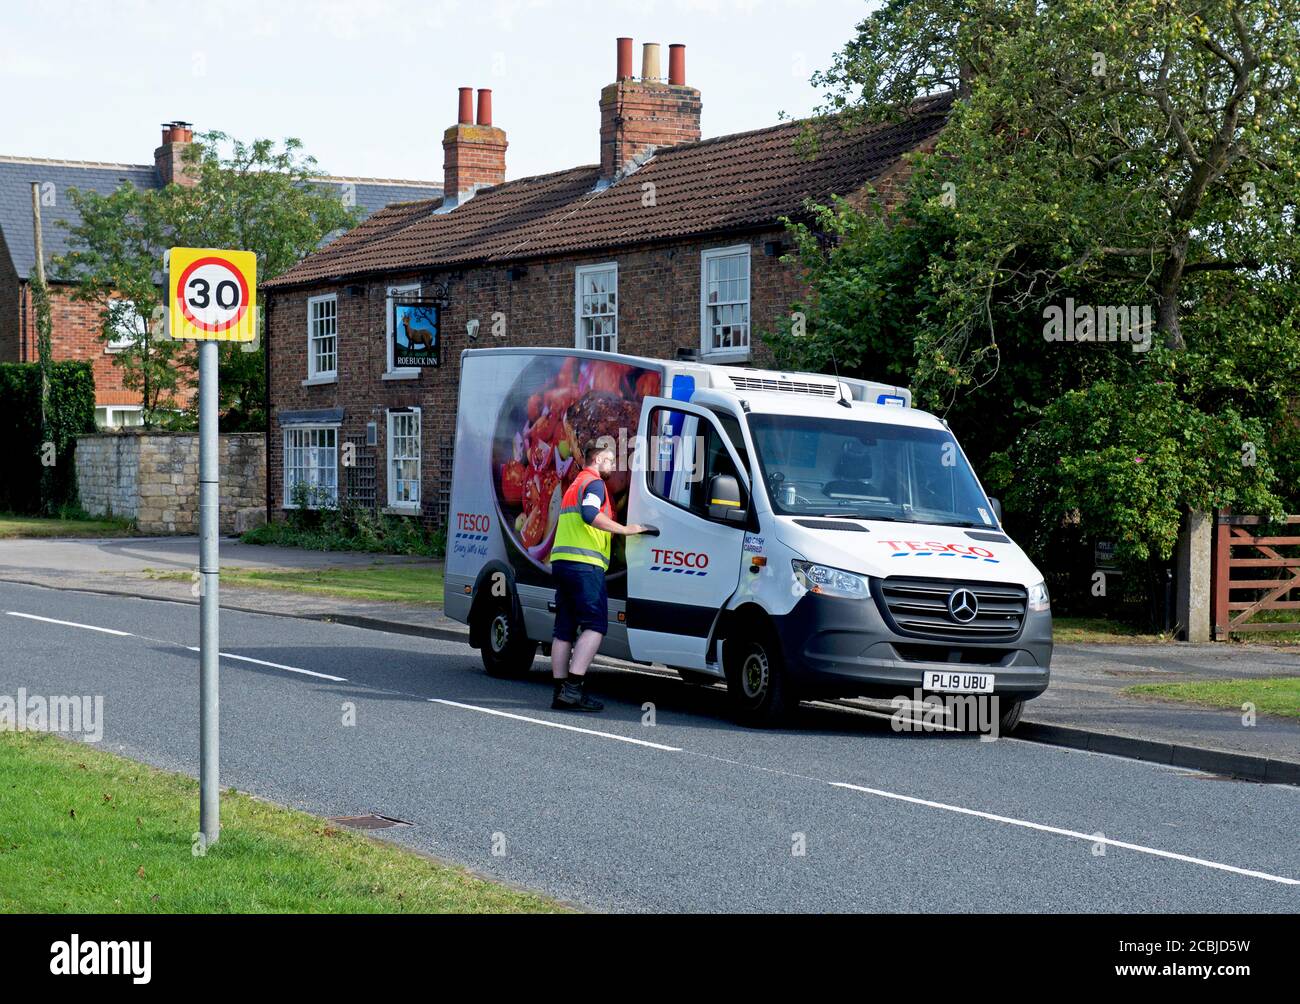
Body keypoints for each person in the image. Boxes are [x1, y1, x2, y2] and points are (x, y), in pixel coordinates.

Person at [549, 439, 647, 711]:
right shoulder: (594, 484)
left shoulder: (575, 484)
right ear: (598, 460)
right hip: (585, 564)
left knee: (564, 628)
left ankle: (560, 691)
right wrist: (627, 530)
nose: (613, 466)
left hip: (562, 562)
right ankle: (573, 690)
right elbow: (590, 514)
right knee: (595, 626)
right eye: (611, 461)